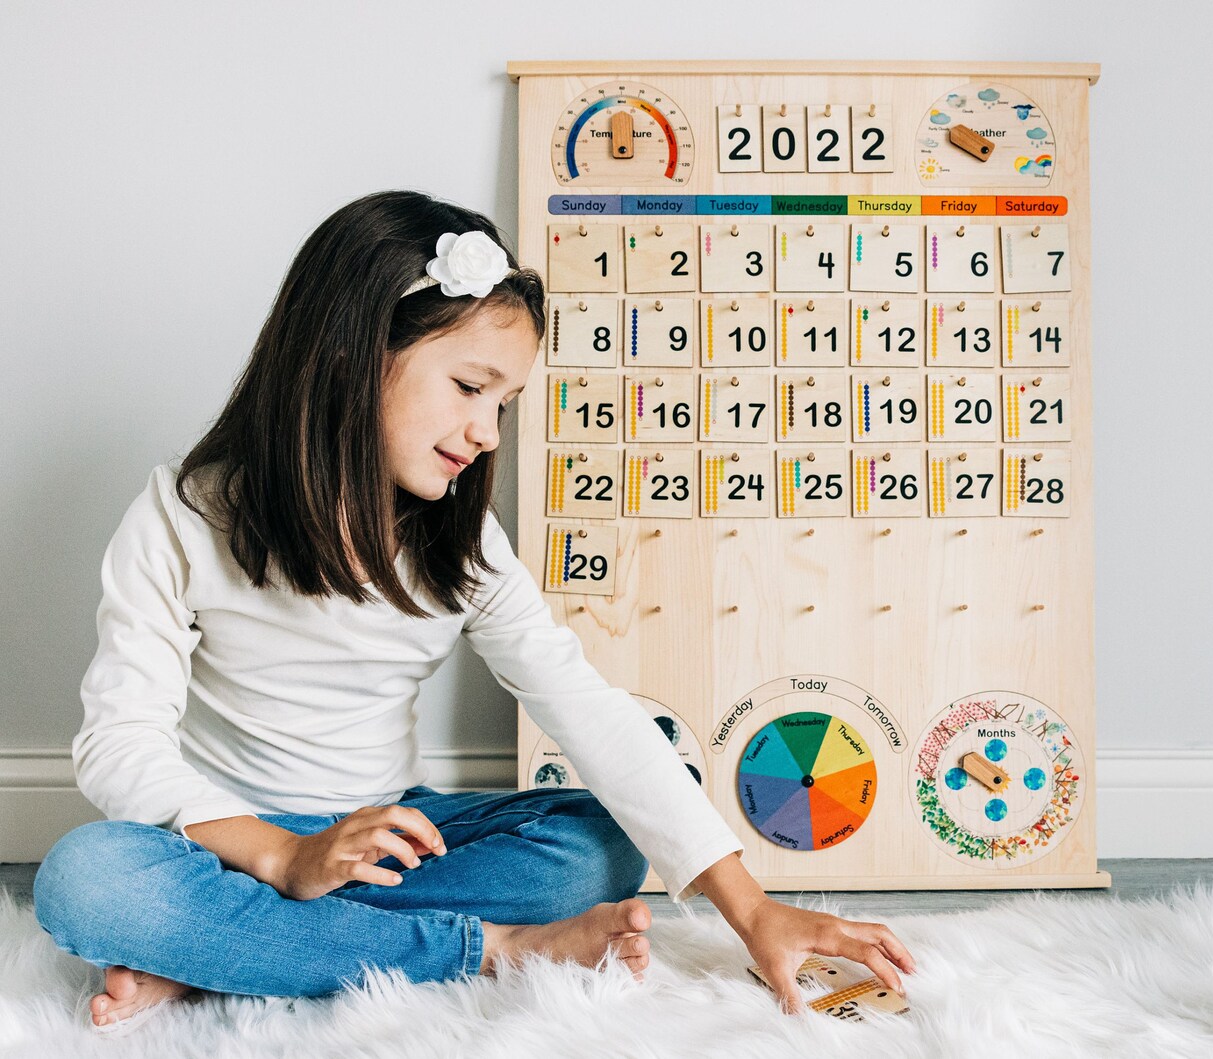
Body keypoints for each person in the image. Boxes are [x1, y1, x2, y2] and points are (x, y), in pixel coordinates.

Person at [31, 190, 916, 1031]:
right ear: (350, 353)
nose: (489, 432)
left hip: (389, 832)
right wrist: (282, 855)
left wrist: (751, 909)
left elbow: (586, 709)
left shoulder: (464, 544)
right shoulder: (183, 513)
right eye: (468, 386)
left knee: (605, 840)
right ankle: (487, 948)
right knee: (87, 880)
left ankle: (237, 946)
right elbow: (120, 744)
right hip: (222, 840)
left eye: (504, 402)